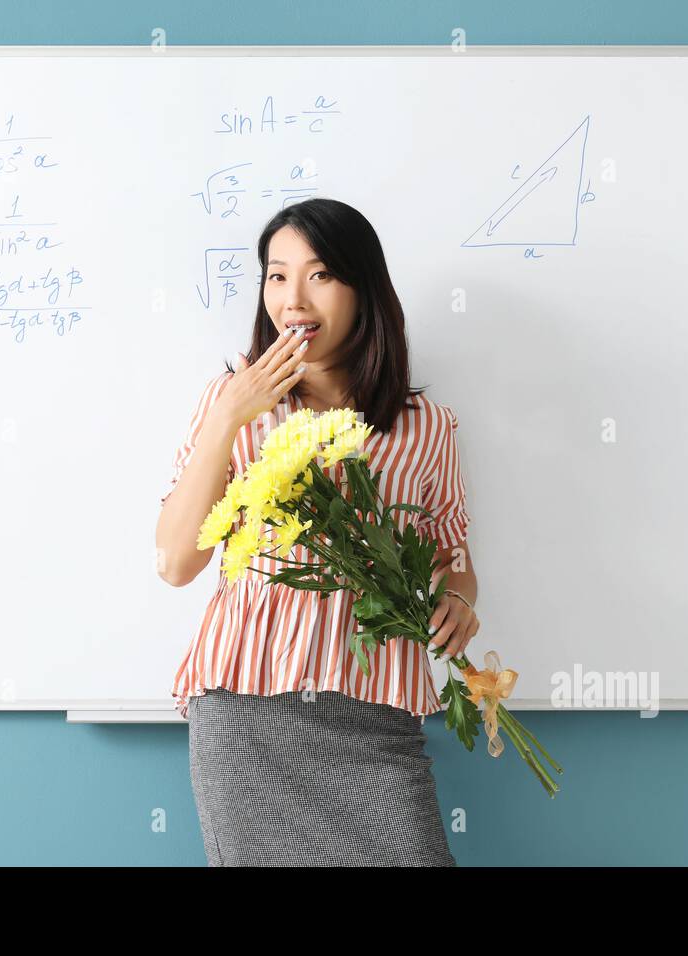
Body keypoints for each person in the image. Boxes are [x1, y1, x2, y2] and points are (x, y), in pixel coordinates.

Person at [155, 198, 478, 866]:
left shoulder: (426, 425)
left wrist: (459, 599)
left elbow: (451, 549)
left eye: (320, 274)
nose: (293, 299)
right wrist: (229, 416)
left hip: (377, 713)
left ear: (364, 290)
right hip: (246, 706)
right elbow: (175, 561)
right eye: (277, 275)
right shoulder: (229, 404)